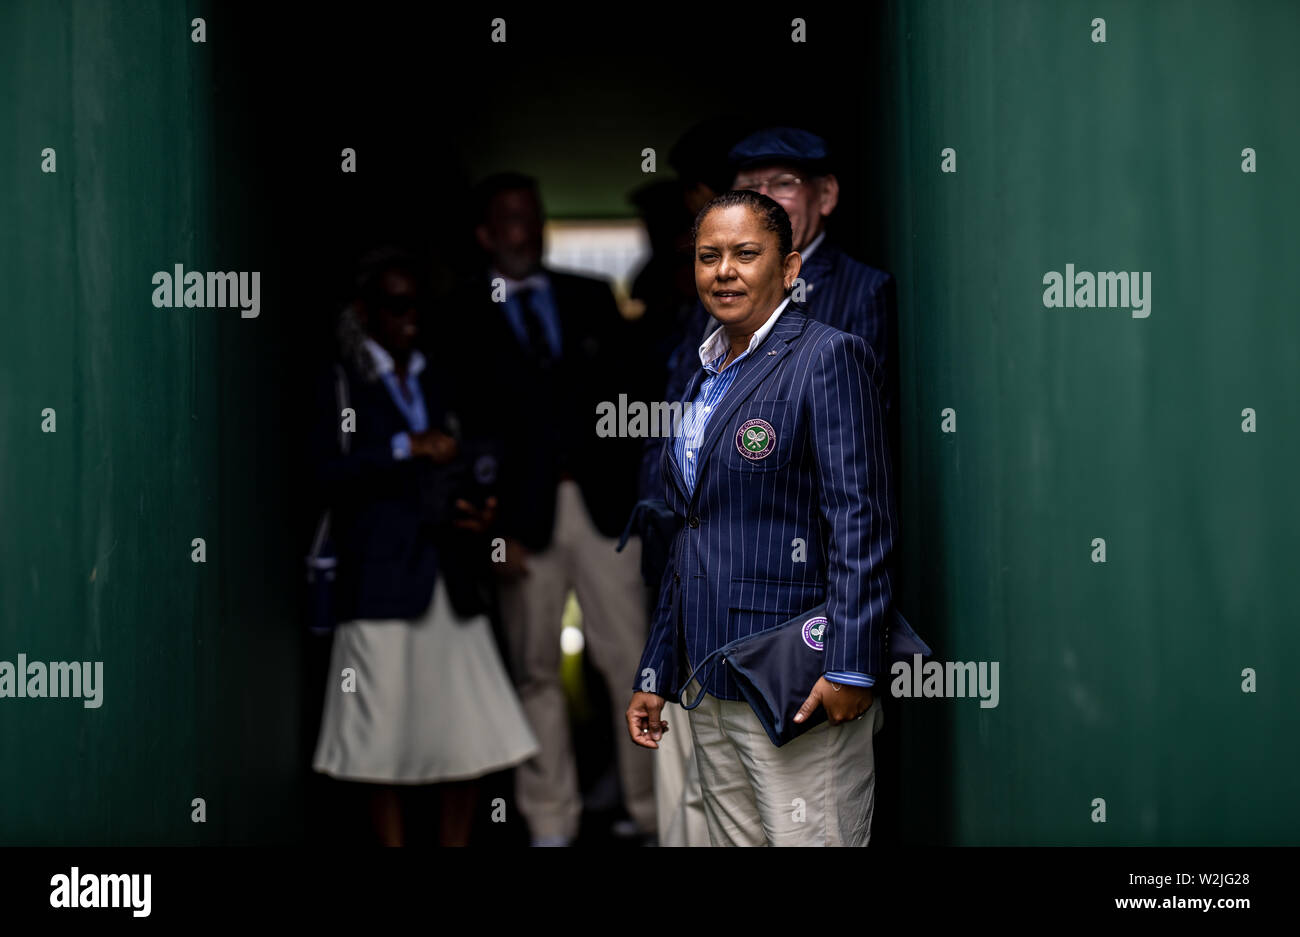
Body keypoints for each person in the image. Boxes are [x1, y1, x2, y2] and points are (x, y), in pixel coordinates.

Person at [633, 125, 900, 846]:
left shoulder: (827, 356)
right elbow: (690, 528)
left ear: (789, 269)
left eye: (746, 254)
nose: (725, 271)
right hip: (711, 683)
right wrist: (658, 665)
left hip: (798, 681)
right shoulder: (703, 375)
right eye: (708, 256)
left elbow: (860, 519)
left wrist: (851, 662)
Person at [440, 174, 655, 846]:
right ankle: (550, 823)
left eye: (532, 216)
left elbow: (633, 398)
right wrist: (490, 525)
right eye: (508, 218)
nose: (524, 229)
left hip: (604, 509)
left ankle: (650, 814)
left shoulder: (591, 297)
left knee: (632, 661)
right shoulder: (460, 313)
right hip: (517, 522)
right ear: (484, 233)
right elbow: (457, 425)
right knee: (535, 668)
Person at [311, 248, 538, 846]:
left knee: (465, 733)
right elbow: (321, 475)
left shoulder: (439, 374)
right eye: (395, 304)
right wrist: (401, 449)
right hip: (379, 574)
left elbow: (469, 455)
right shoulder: (341, 380)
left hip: (449, 571)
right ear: (366, 311)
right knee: (375, 740)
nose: (410, 316)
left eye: (417, 304)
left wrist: (478, 505)